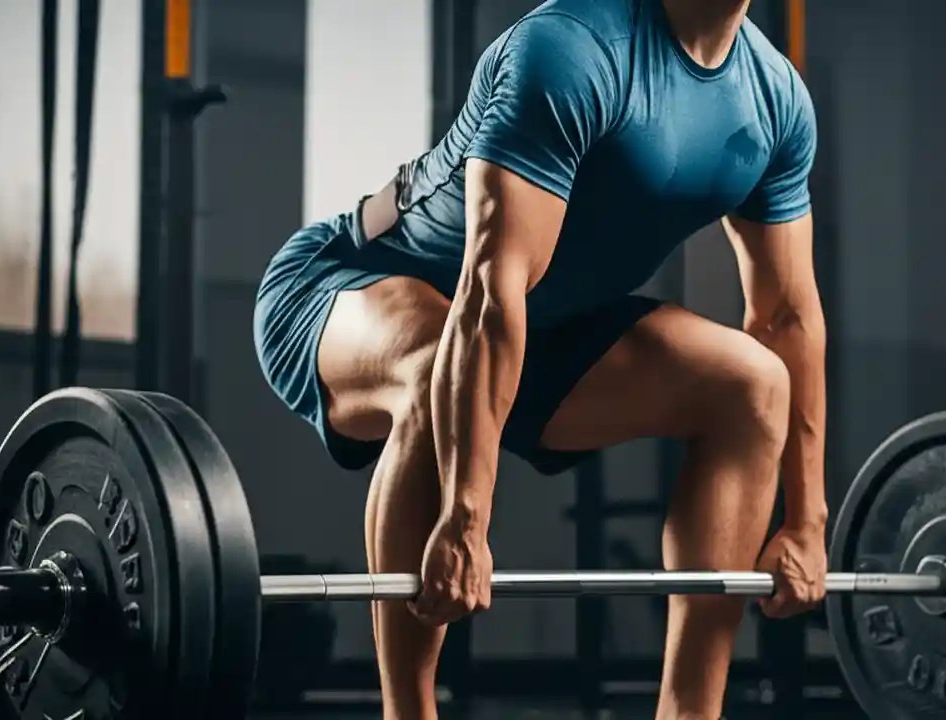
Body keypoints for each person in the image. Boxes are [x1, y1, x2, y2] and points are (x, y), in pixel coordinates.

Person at [253, 0, 826, 716]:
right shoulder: (571, 47)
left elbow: (787, 318)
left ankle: (690, 712)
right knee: (438, 363)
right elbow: (490, 293)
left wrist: (805, 525)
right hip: (344, 287)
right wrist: (466, 517)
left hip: (541, 335)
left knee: (752, 382)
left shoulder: (774, 98)